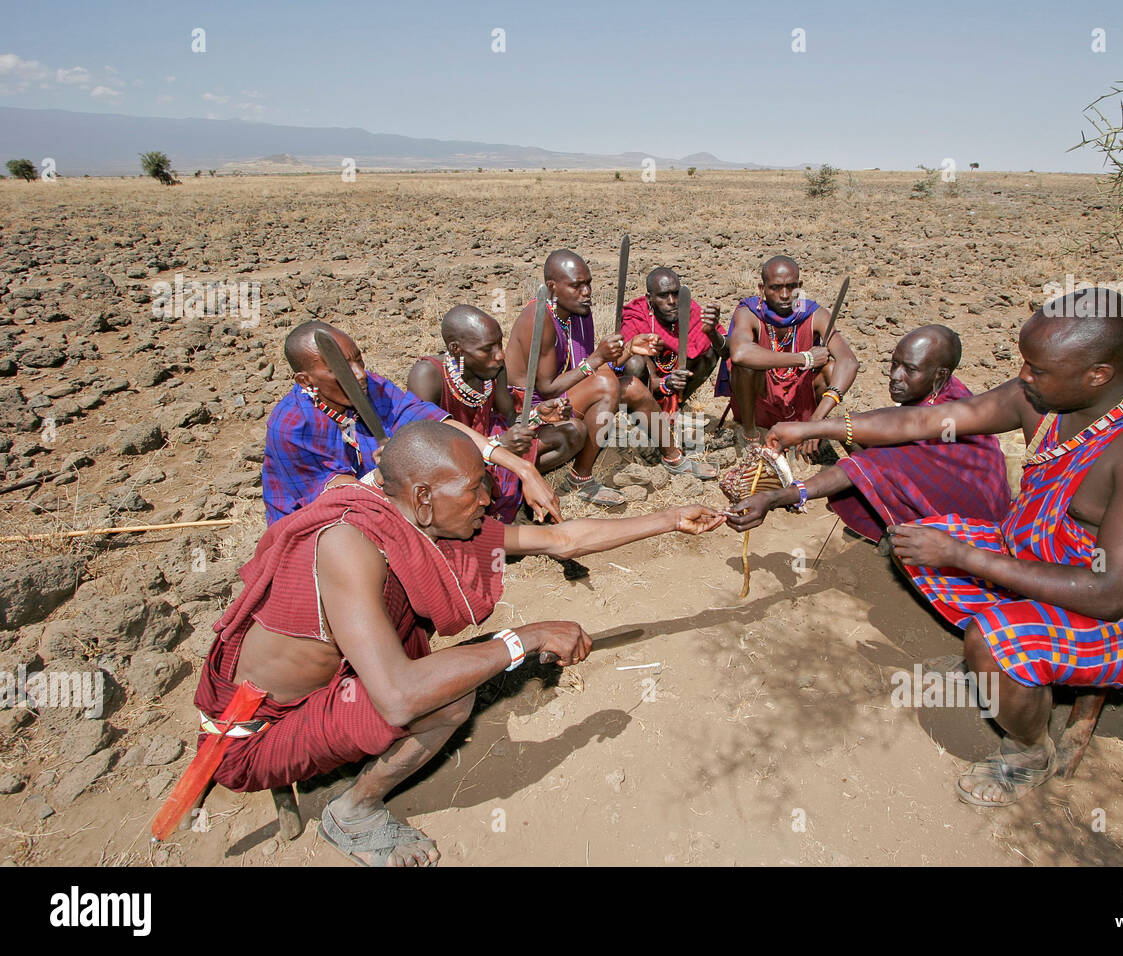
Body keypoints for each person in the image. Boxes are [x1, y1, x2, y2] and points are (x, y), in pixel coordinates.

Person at [750, 287, 1123, 808]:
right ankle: (1007, 669)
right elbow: (928, 421)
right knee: (913, 539)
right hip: (1053, 563)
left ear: (1098, 375)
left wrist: (961, 557)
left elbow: (1110, 594)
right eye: (1026, 363)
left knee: (994, 640)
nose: (1025, 377)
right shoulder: (1047, 396)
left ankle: (1026, 751)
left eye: (1038, 369)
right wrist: (817, 425)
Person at [196, 420, 726, 865]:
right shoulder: (348, 545)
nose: (488, 498)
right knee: (451, 696)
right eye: (475, 487)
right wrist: (527, 637)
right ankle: (351, 812)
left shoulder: (422, 523)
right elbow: (400, 695)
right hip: (254, 735)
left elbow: (562, 541)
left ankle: (338, 750)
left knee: (455, 669)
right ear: (423, 496)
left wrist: (671, 519)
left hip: (334, 690)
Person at [727, 325, 1011, 544]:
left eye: (909, 370)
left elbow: (863, 467)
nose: (895, 376)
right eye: (894, 364)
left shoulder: (948, 416)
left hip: (974, 528)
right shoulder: (944, 392)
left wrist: (780, 497)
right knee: (857, 433)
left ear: (940, 376)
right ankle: (890, 514)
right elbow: (888, 425)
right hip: (971, 504)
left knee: (873, 451)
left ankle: (916, 534)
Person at [263, 320, 559, 525]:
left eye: (358, 360)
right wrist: (379, 477)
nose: (359, 374)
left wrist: (524, 469)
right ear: (306, 380)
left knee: (464, 466)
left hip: (386, 495)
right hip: (329, 522)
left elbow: (437, 424)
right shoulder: (292, 426)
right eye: (340, 368)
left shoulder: (374, 388)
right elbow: (334, 501)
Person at [504, 250, 714, 507]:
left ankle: (674, 458)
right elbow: (548, 388)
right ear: (552, 287)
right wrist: (597, 358)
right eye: (577, 285)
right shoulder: (539, 318)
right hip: (531, 411)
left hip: (565, 396)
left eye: (588, 283)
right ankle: (580, 478)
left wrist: (630, 348)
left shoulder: (578, 312)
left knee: (633, 387)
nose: (586, 292)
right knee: (605, 381)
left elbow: (582, 369)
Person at [407, 305, 585, 522]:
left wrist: (538, 415)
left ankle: (516, 488)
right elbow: (422, 445)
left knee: (572, 431)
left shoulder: (495, 368)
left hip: (494, 442)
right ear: (456, 349)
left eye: (500, 343)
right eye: (487, 349)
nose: (500, 355)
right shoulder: (428, 375)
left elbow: (509, 416)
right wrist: (499, 444)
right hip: (449, 461)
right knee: (479, 483)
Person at [717, 255, 859, 457]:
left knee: (832, 369)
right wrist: (805, 359)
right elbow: (740, 353)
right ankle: (750, 434)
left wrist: (815, 424)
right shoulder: (749, 312)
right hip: (759, 401)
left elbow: (849, 362)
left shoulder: (814, 314)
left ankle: (811, 427)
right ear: (762, 289)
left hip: (801, 405)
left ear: (799, 286)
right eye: (775, 288)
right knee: (745, 365)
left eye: (791, 287)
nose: (784, 295)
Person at [620, 266, 727, 411]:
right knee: (634, 362)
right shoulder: (637, 316)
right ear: (649, 298)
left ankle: (678, 404)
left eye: (676, 294)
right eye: (663, 296)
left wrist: (712, 332)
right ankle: (642, 413)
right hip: (648, 383)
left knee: (710, 349)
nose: (672, 301)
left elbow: (726, 352)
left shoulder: (688, 309)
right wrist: (666, 382)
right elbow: (626, 360)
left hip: (679, 378)